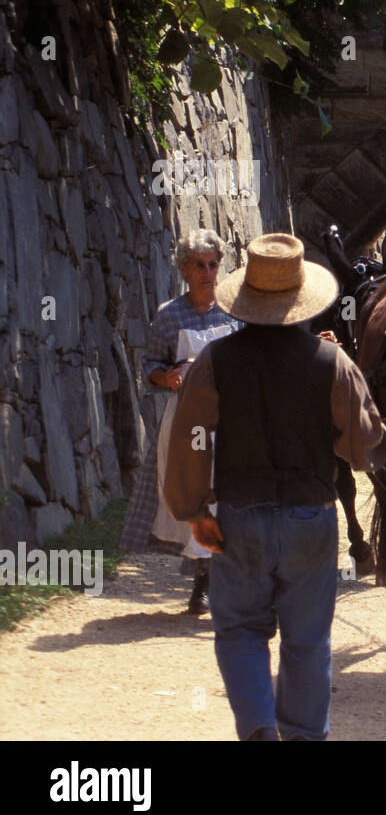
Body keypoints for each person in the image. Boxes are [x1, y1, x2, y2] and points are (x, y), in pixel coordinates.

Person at [163, 233, 386, 741]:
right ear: (300, 298)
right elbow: (361, 446)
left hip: (239, 517)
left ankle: (260, 729)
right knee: (307, 641)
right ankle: (303, 736)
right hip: (311, 517)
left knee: (241, 630)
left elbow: (191, 438)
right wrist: (366, 437)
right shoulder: (331, 362)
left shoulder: (215, 361)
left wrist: (195, 508)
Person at [120, 229, 242, 614]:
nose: (208, 273)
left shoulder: (234, 309)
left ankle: (237, 581)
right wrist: (166, 376)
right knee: (198, 492)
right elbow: (151, 365)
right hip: (189, 421)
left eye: (214, 265)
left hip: (231, 417)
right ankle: (202, 583)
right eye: (200, 266)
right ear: (185, 270)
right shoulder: (170, 314)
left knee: (234, 491)